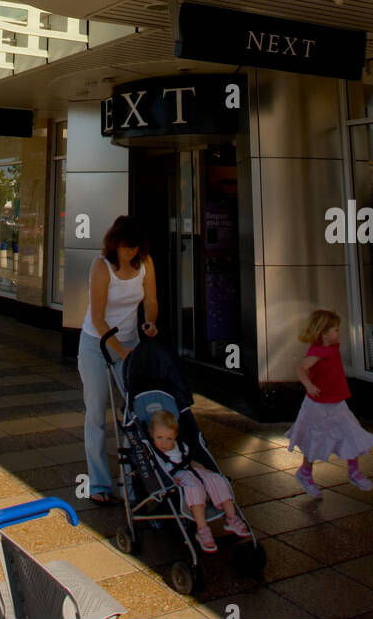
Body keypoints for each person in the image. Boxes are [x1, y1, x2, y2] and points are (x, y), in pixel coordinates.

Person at [78, 216, 158, 505]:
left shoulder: (145, 264)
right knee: (97, 410)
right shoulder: (102, 267)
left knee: (134, 412)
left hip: (129, 341)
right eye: (125, 247)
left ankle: (131, 482)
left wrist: (150, 322)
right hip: (95, 343)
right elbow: (98, 318)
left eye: (134, 247)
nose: (129, 253)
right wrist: (122, 352)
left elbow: (150, 301)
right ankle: (99, 482)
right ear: (114, 244)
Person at [286, 309, 373, 496]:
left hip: (336, 401)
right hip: (318, 405)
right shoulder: (317, 352)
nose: (339, 332)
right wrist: (309, 385)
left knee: (351, 431)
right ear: (324, 333)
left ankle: (353, 470)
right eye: (335, 329)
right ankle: (305, 472)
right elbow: (301, 369)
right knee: (315, 439)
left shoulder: (332, 347)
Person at [149, 410, 249, 551]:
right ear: (151, 433)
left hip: (192, 470)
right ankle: (202, 530)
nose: (164, 443)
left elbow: (187, 458)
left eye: (169, 439)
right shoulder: (155, 453)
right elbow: (158, 470)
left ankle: (232, 518)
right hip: (177, 476)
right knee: (194, 488)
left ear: (175, 436)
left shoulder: (181, 446)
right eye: (159, 437)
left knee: (218, 479)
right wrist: (170, 480)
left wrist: (195, 463)